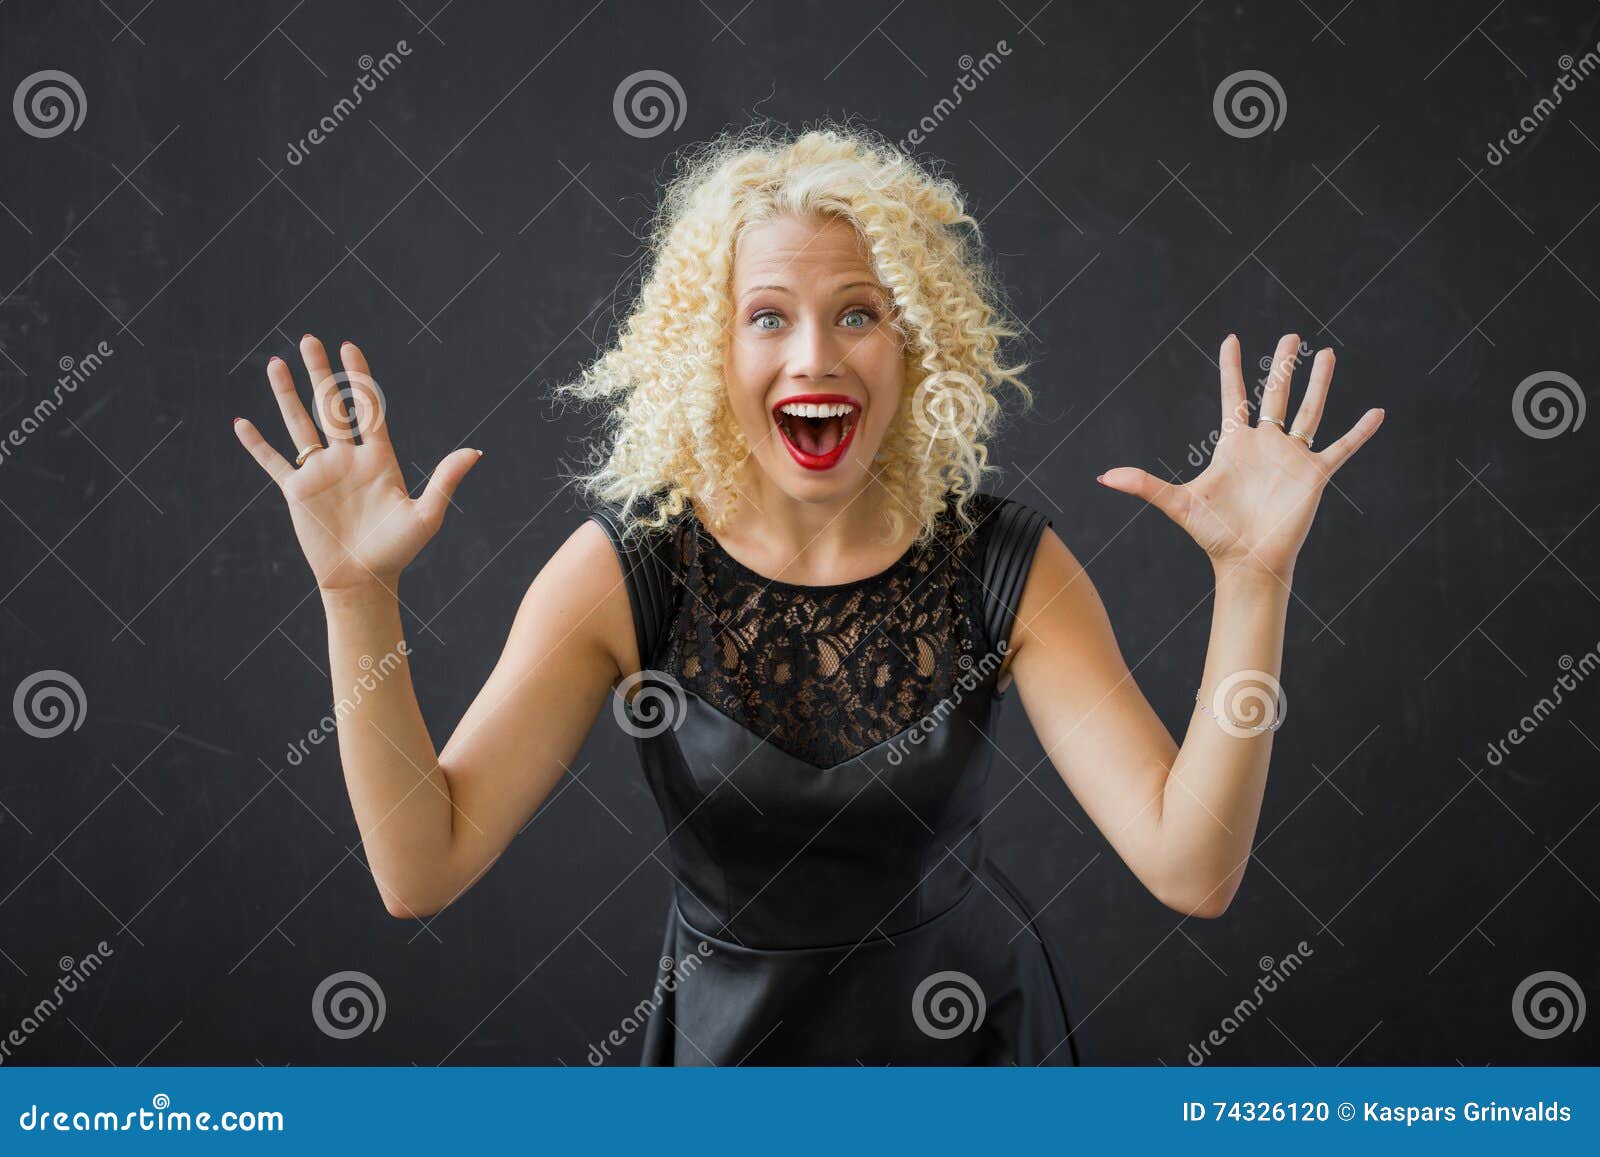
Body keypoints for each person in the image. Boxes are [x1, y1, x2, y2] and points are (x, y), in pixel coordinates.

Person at [231, 123, 1385, 1065]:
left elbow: (1192, 866)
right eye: (768, 315)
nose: (814, 357)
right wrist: (356, 594)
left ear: (917, 343)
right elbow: (420, 865)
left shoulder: (1004, 563)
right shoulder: (627, 574)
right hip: (731, 1065)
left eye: (859, 313)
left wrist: (1254, 580)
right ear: (712, 351)